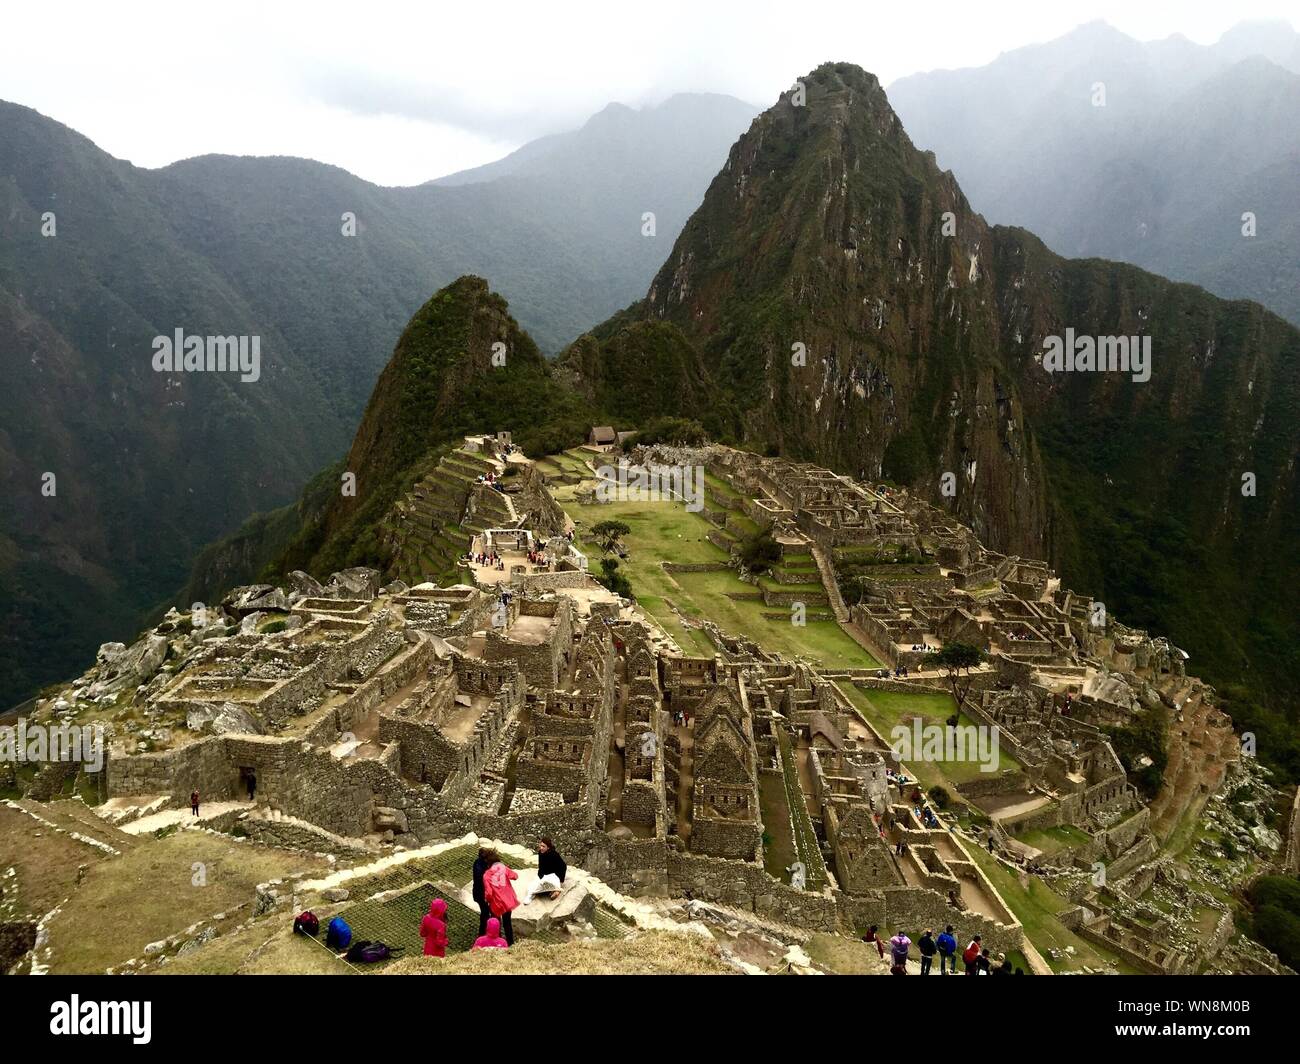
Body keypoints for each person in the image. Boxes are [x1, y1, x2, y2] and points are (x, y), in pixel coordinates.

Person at [483, 855, 520, 946]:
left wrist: (487, 900)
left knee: (496, 924)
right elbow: (515, 876)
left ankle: (497, 943)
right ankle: (510, 943)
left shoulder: (487, 875)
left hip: (496, 903)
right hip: (508, 902)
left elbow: (489, 893)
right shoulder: (503, 868)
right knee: (507, 924)